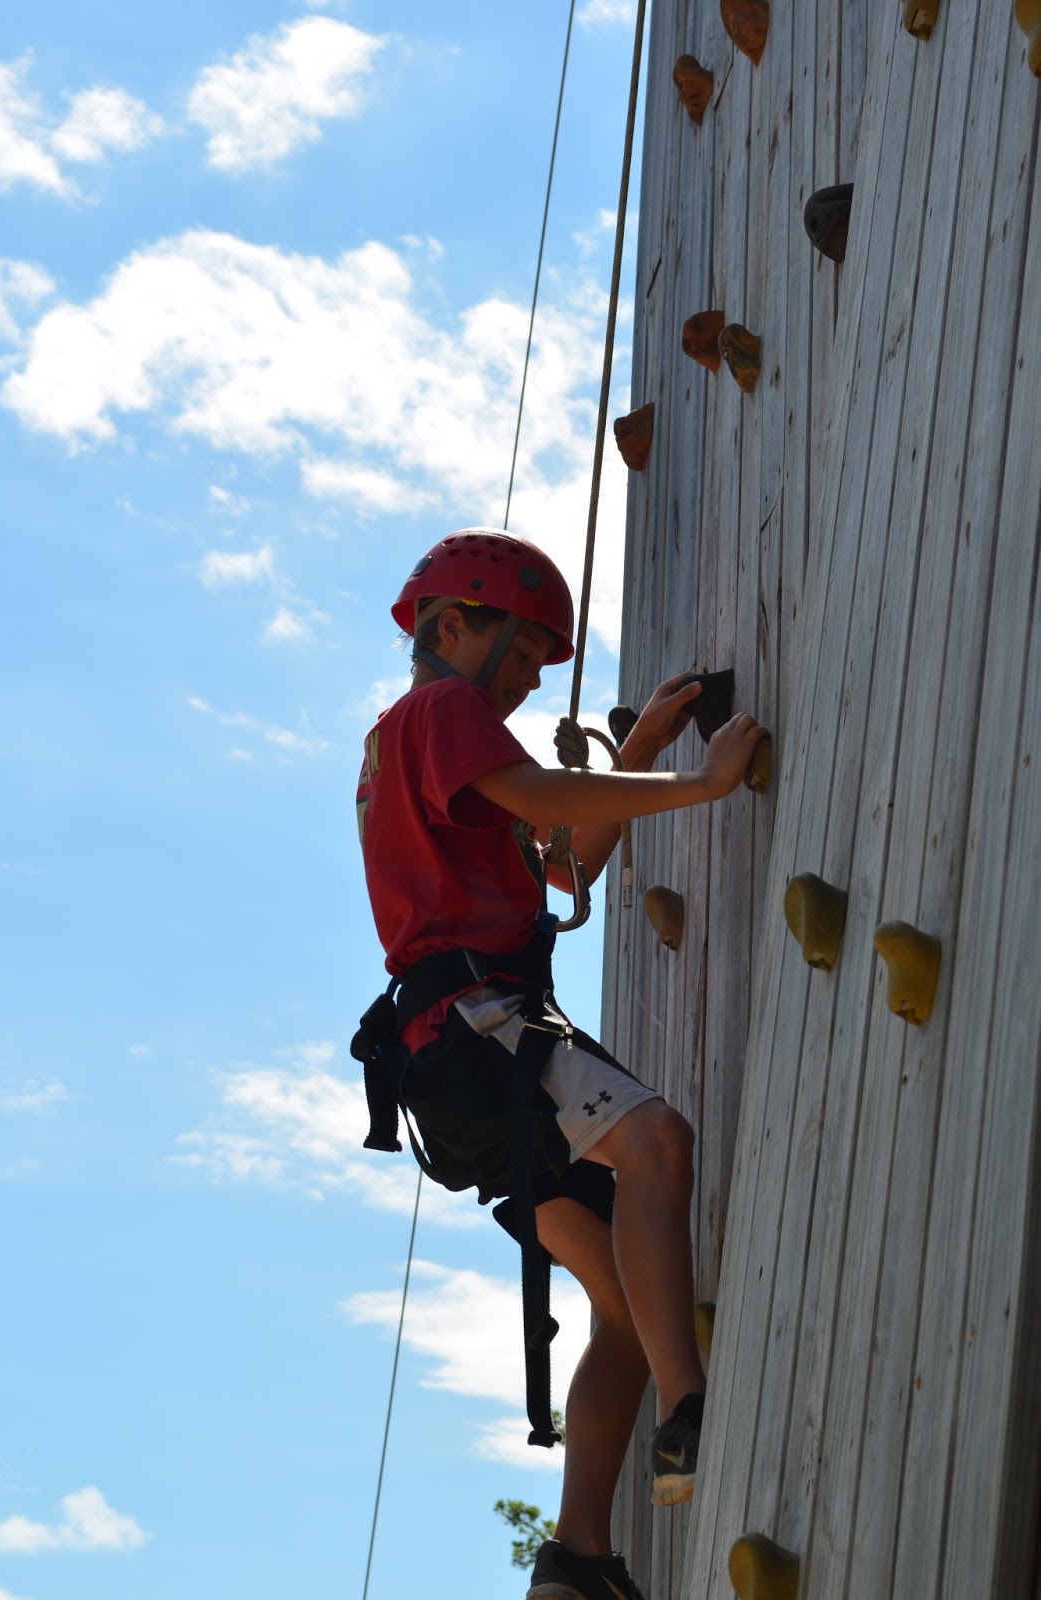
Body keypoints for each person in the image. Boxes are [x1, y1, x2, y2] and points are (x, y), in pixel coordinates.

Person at [355, 528, 768, 1600]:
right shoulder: (442, 712)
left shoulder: (416, 748)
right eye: (527, 647)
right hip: (485, 1025)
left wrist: (633, 762)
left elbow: (562, 858)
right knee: (659, 1141)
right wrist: (703, 782)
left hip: (451, 1078)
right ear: (455, 629)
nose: (539, 674)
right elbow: (547, 806)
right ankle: (692, 1407)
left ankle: (578, 1557)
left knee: (627, 1305)